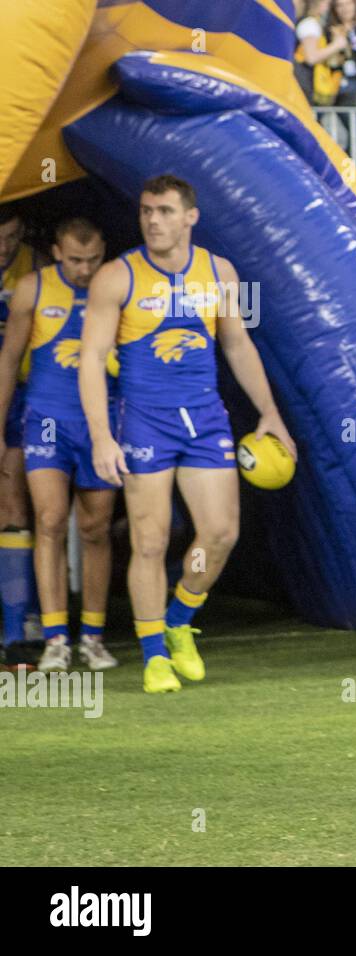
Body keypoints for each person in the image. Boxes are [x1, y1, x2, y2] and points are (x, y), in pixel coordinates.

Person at [80, 174, 297, 694]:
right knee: (150, 541)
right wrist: (101, 437)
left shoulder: (221, 273)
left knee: (220, 534)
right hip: (143, 423)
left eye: (165, 211)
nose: (153, 220)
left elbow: (239, 345)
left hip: (205, 421)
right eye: (146, 211)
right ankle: (155, 654)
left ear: (190, 217)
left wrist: (270, 412)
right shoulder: (117, 276)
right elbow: (89, 360)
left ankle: (179, 618)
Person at [0, 218, 119, 673]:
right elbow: (9, 360)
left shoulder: (116, 286)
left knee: (96, 528)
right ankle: (54, 638)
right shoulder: (34, 288)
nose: (84, 270)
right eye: (74, 260)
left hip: (100, 422)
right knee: (48, 519)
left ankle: (92, 636)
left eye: (92, 260)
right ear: (56, 251)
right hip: (46, 419)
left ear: (104, 252)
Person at [0, 206, 41, 667]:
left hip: (25, 396)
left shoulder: (38, 270)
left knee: (18, 500)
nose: (4, 248)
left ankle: (19, 632)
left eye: (11, 235)